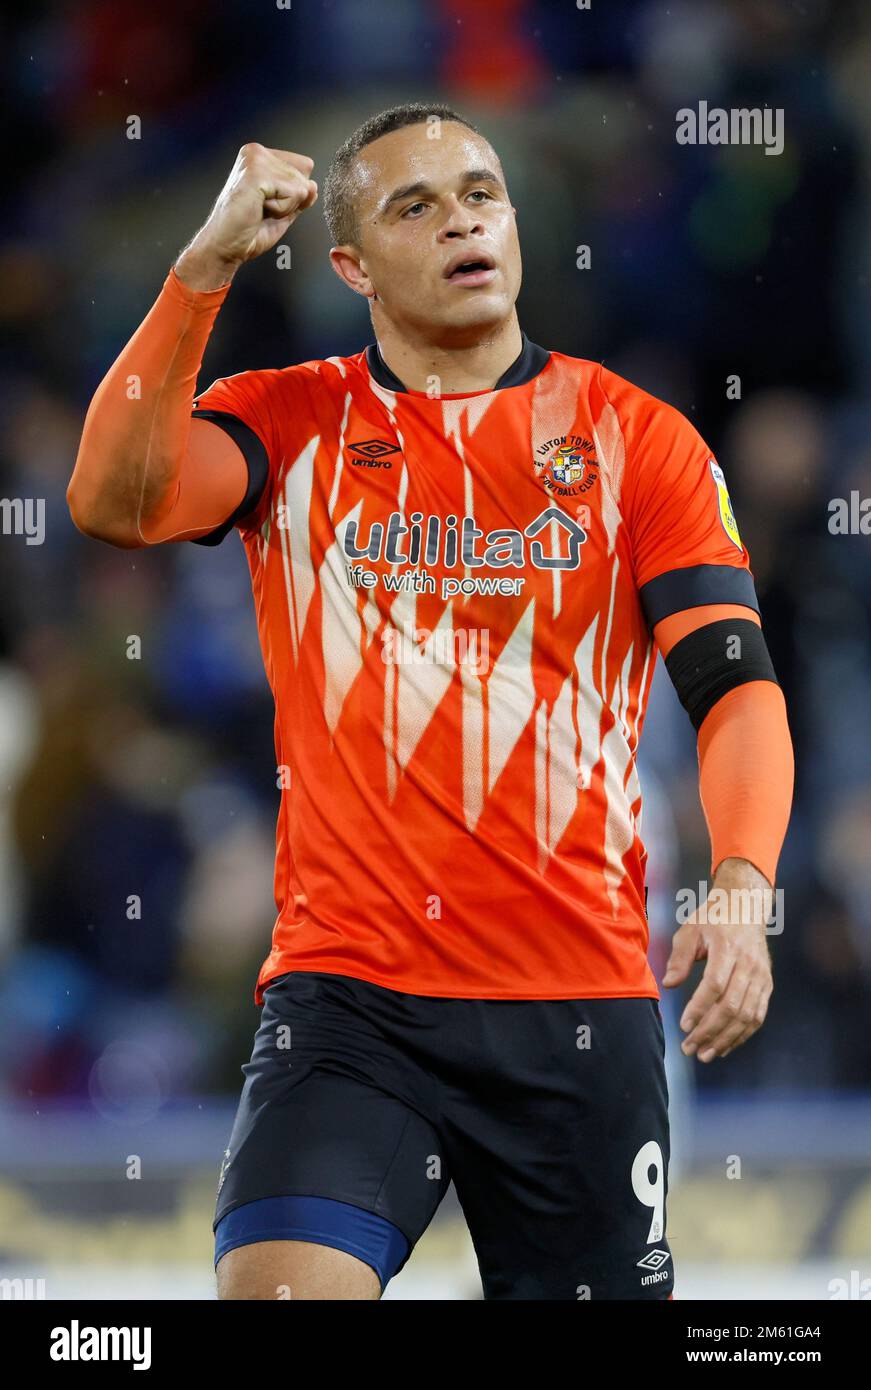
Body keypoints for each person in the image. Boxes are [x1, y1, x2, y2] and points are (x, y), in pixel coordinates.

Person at [67, 102, 794, 1300]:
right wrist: (202, 273)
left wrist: (742, 880)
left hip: (576, 1002)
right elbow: (113, 498)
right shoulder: (286, 420)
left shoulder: (636, 441)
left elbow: (733, 690)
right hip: (350, 1002)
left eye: (480, 192)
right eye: (415, 205)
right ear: (349, 264)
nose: (462, 219)